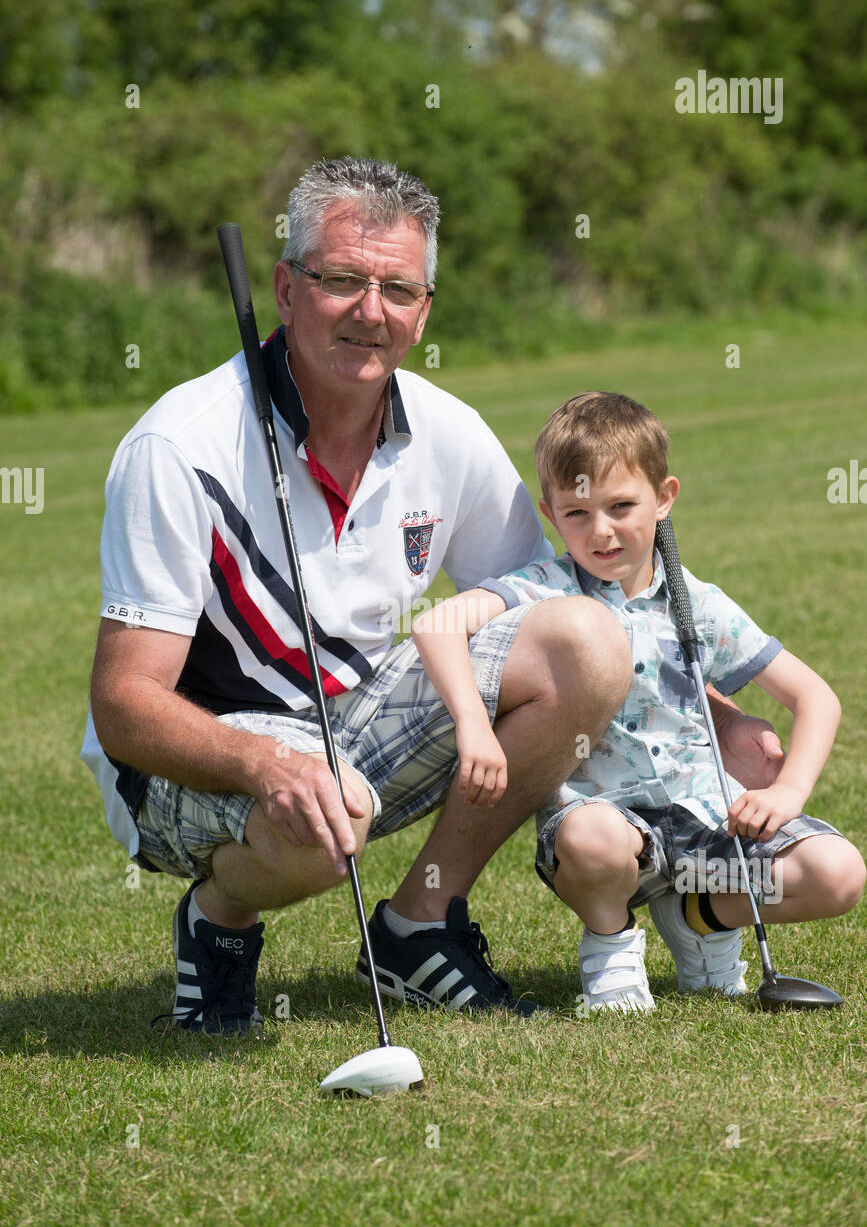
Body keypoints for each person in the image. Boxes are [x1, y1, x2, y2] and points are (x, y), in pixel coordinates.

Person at [81, 158, 784, 1034]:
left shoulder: (446, 431)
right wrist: (271, 766)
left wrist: (722, 718)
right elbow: (125, 705)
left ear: (423, 311)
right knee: (322, 811)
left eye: (397, 289)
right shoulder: (180, 446)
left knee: (584, 638)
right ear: (285, 289)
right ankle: (219, 919)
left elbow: (575, 602)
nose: (368, 311)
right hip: (197, 758)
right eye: (340, 279)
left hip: (361, 732)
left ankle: (417, 924)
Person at [412, 391, 865, 1011]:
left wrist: (787, 795)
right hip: (601, 825)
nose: (600, 532)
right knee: (595, 840)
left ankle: (698, 915)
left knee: (840, 875)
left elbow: (816, 697)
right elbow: (436, 627)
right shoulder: (541, 590)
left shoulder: (696, 602)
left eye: (621, 506)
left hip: (708, 818)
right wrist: (474, 725)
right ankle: (611, 942)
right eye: (576, 513)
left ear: (664, 497)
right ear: (549, 513)